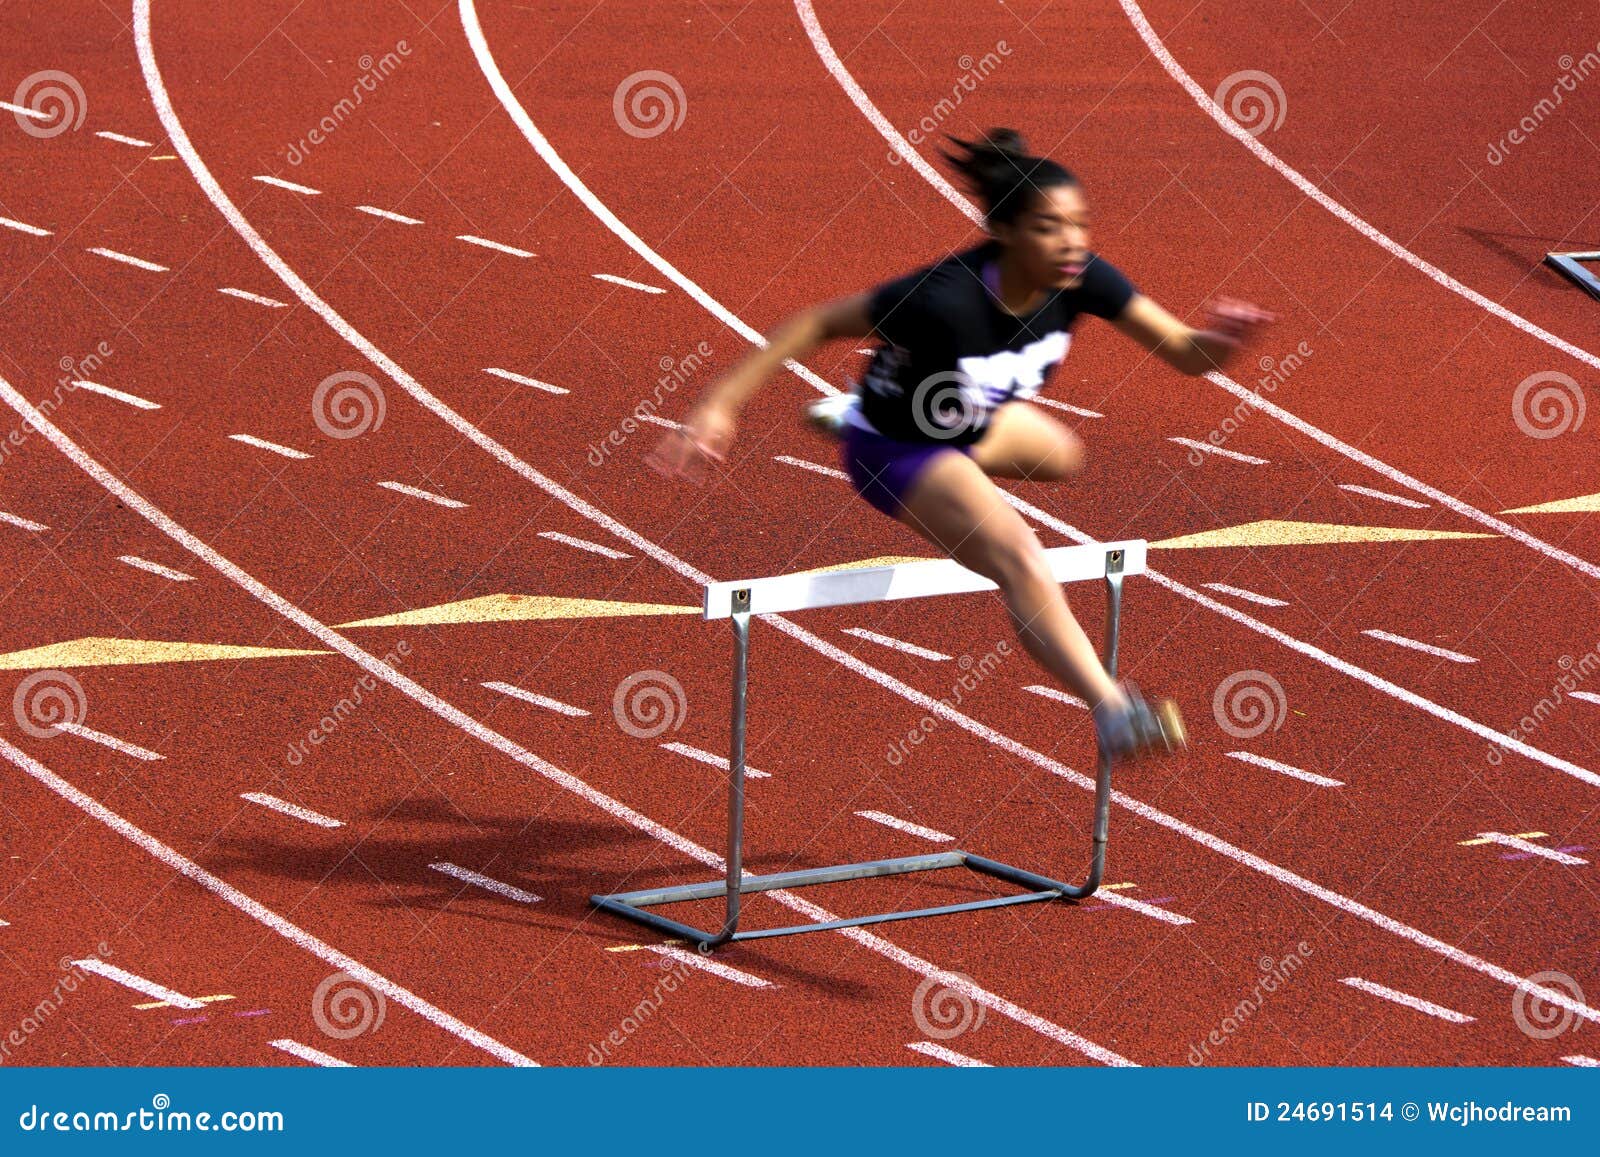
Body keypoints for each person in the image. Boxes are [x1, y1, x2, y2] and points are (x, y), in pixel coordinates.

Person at [648, 129, 1273, 762]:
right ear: (1004, 233)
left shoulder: (1084, 279)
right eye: (1050, 228)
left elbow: (1185, 353)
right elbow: (816, 323)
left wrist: (1223, 342)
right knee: (1021, 557)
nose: (1072, 243)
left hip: (968, 423)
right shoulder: (943, 301)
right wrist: (717, 406)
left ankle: (851, 411)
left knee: (1063, 455)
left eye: (1080, 225)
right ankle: (1111, 708)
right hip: (897, 448)